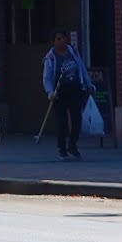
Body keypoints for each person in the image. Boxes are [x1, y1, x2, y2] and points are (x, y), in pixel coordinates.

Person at [42, 29, 96, 161]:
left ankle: (72, 145)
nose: (62, 41)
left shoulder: (73, 52)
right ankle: (62, 148)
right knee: (62, 122)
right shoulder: (51, 58)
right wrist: (50, 93)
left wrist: (89, 84)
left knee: (77, 118)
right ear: (53, 42)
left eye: (63, 38)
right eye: (58, 39)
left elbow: (81, 68)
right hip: (59, 91)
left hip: (74, 89)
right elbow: (47, 78)